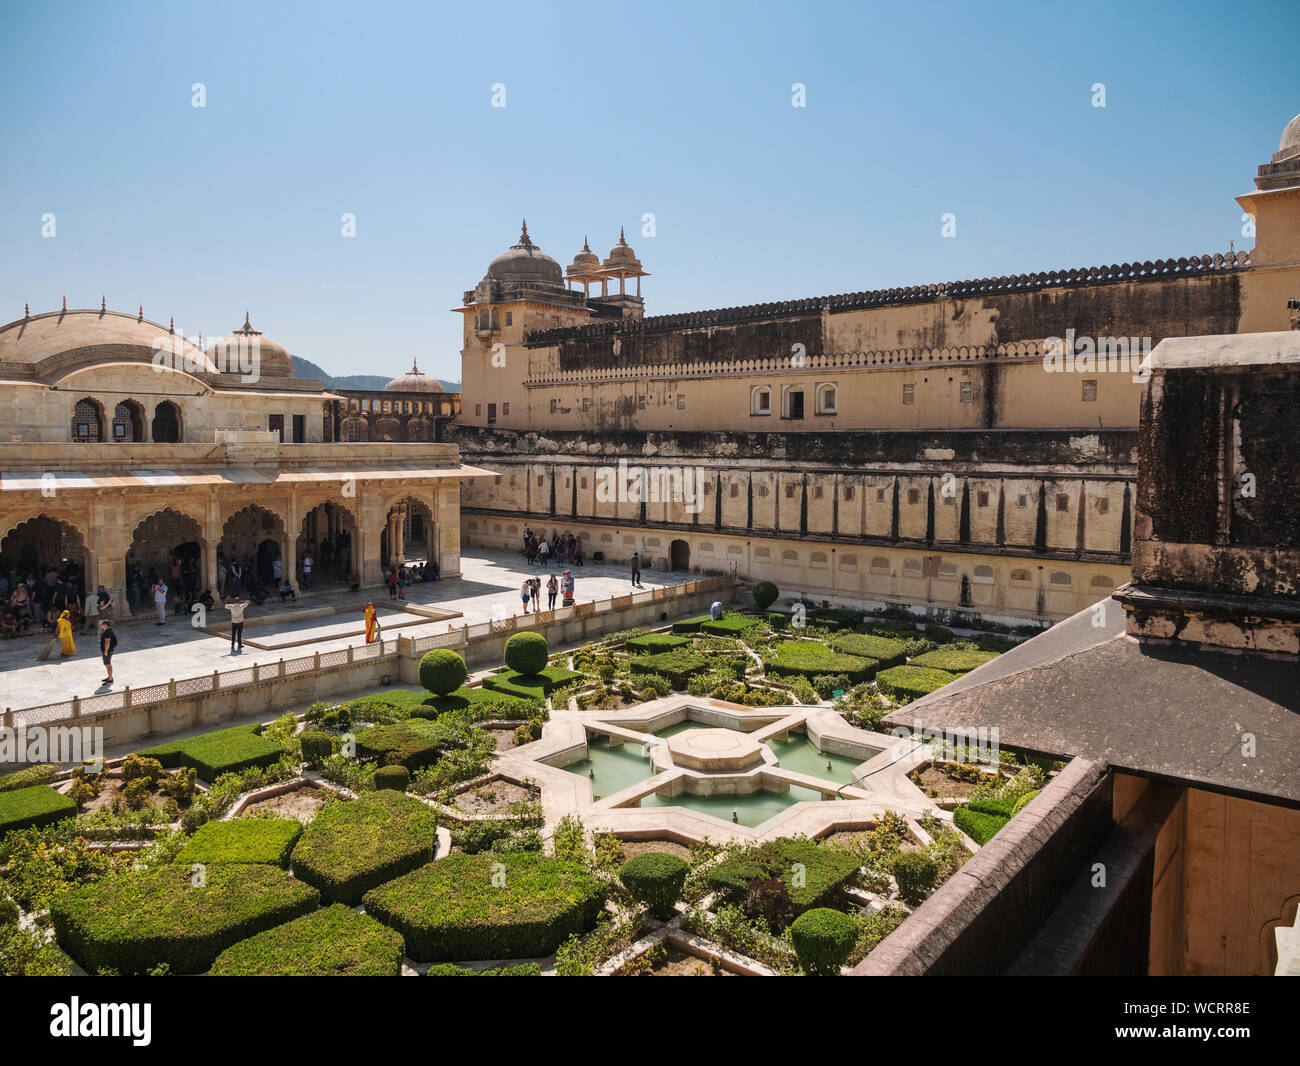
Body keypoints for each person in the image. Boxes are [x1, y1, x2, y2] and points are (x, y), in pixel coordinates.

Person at [99, 618, 117, 686]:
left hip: (108, 651)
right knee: (107, 664)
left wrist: (106, 651)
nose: (101, 626)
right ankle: (109, 677)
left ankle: (110, 679)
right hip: (109, 651)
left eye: (102, 624)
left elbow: (107, 642)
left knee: (108, 665)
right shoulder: (108, 631)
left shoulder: (107, 632)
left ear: (106, 625)